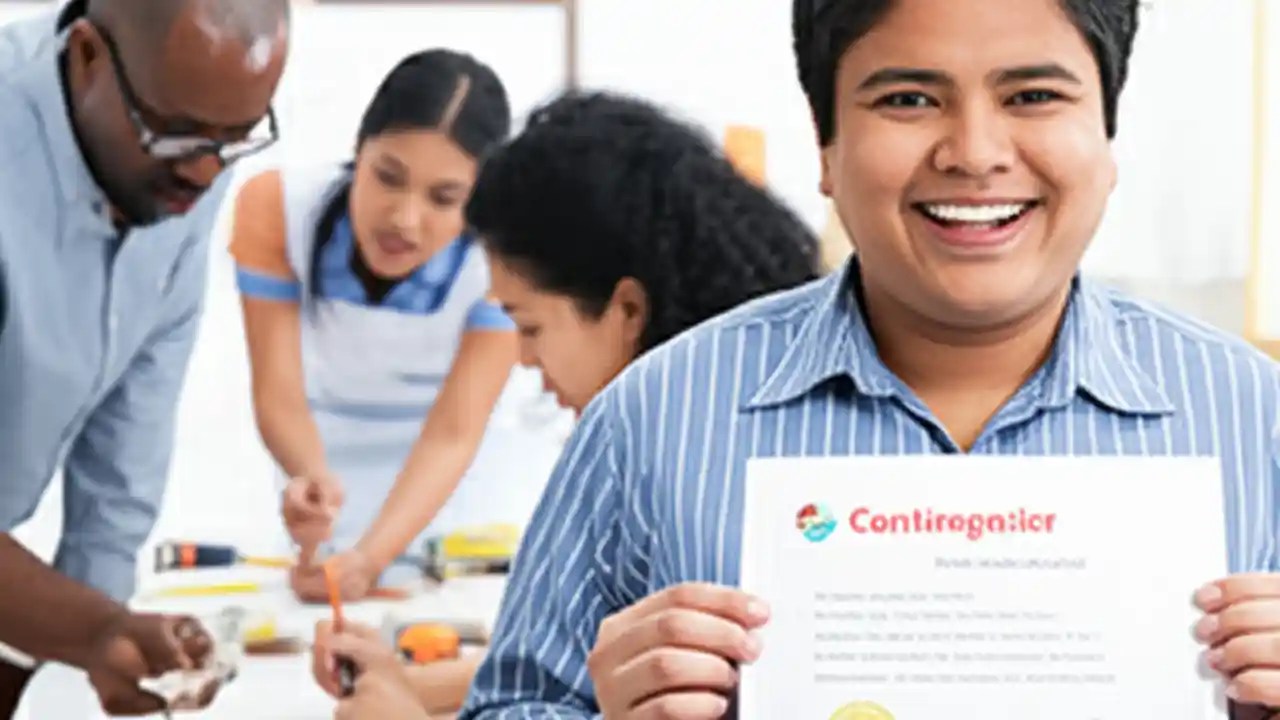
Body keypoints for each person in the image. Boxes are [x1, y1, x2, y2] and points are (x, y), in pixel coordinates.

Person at [467, 0, 1272, 717]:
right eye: (908, 99)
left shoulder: (1254, 416)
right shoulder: (651, 417)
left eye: (1032, 95)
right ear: (824, 145)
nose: (974, 152)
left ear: (1106, 135)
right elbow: (512, 706)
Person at [310, 90, 823, 719]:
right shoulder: (705, 422)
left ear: (627, 311)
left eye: (529, 327)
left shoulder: (719, 492)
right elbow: (583, 669)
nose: (525, 361)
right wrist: (413, 685)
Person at [0, 0, 289, 715]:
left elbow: (118, 481)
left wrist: (93, 654)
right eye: (177, 134)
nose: (202, 173)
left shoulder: (187, 153)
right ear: (88, 55)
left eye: (235, 140)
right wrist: (93, 632)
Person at [228, 49, 525, 603]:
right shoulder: (276, 207)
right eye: (388, 177)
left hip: (454, 496)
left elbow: (454, 431)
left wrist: (369, 557)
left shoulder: (504, 253)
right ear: (357, 151)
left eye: (444, 198)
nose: (404, 220)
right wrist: (315, 490)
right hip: (317, 466)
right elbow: (278, 392)